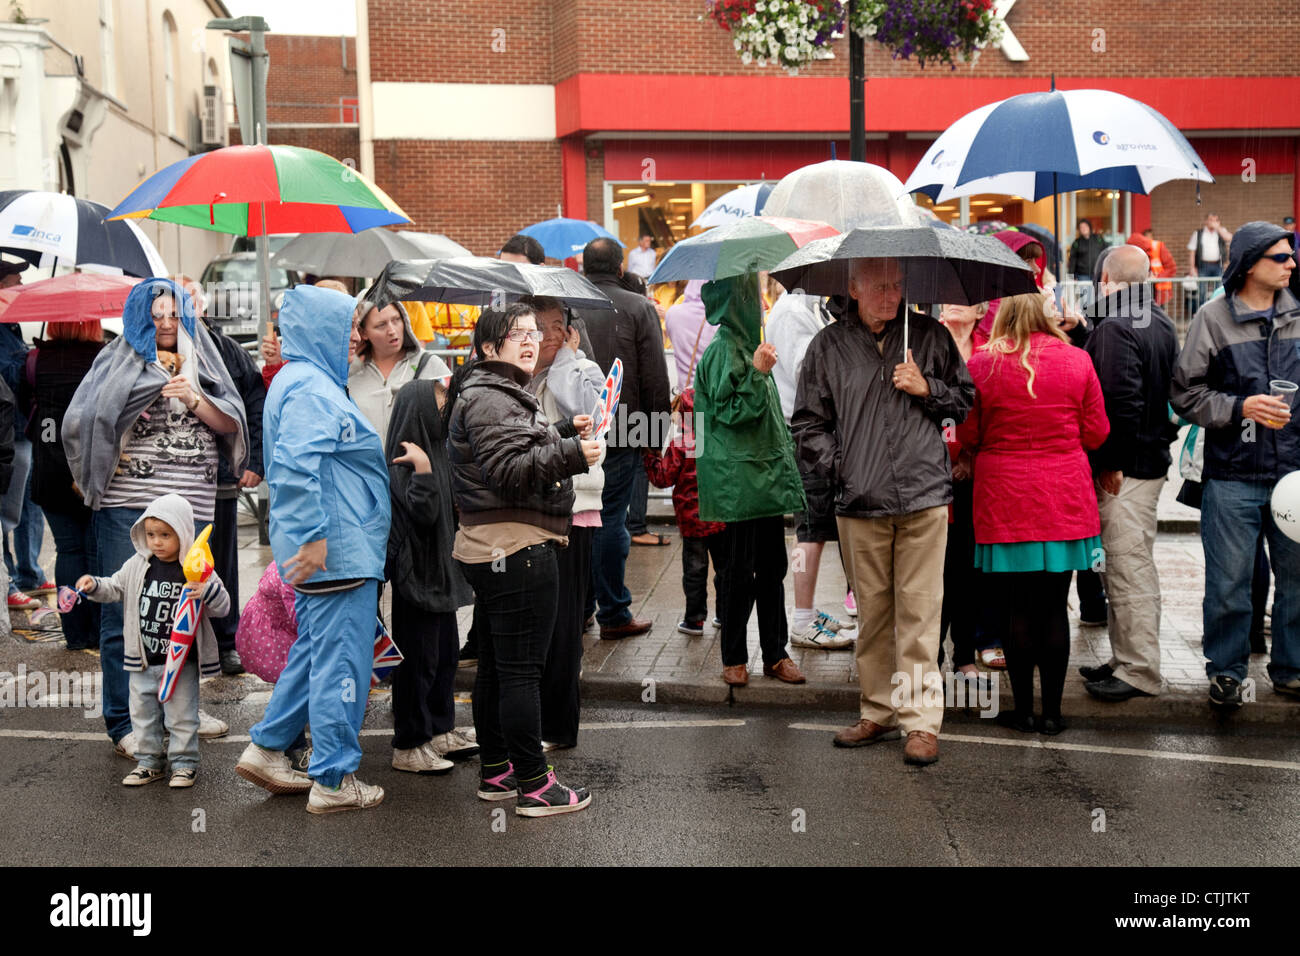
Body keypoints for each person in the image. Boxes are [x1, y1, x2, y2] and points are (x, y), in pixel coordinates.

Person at [794, 258, 974, 765]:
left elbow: (965, 400)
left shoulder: (931, 336)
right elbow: (807, 424)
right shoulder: (827, 346)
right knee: (873, 615)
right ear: (852, 288)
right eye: (879, 286)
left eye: (898, 285)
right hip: (859, 502)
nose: (891, 295)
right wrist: (843, 470)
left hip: (924, 496)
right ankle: (877, 711)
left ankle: (921, 723)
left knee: (920, 615)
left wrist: (928, 388)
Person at [63, 278, 246, 759]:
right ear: (138, 318)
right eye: (155, 314)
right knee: (123, 611)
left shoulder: (205, 358)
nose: (165, 323)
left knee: (184, 611)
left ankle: (181, 707)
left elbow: (233, 422)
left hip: (191, 511)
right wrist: (130, 405)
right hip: (130, 506)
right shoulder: (117, 357)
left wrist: (195, 399)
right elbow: (82, 419)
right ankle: (123, 721)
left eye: (174, 313)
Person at [235, 284, 390, 813]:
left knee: (315, 654)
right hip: (338, 550)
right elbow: (297, 468)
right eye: (346, 325)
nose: (355, 336)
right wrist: (317, 539)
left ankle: (267, 747)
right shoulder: (309, 388)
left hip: (330, 549)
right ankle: (332, 780)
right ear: (318, 328)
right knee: (340, 665)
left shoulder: (305, 380)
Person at [446, 302, 600, 816]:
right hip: (514, 549)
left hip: (495, 545)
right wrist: (575, 454)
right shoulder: (492, 396)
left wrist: (559, 435)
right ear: (490, 348)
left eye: (534, 333)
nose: (531, 341)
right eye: (517, 335)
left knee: (495, 665)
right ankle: (535, 785)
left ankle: (498, 771)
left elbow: (505, 454)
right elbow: (509, 471)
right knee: (519, 673)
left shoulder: (494, 391)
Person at [959, 293, 1110, 735]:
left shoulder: (982, 364)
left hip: (1005, 498)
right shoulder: (1077, 359)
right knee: (1053, 609)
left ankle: (1023, 711)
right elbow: (1097, 432)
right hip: (1063, 497)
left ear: (1001, 318)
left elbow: (969, 432)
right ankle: (1053, 715)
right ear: (1047, 317)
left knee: (1015, 610)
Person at [1171, 221, 1300, 709]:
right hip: (1231, 476)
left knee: (1297, 580)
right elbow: (1185, 393)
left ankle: (1291, 669)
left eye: (1291, 256)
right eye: (1281, 257)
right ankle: (1226, 672)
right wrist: (1241, 407)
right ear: (1249, 265)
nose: (1292, 263)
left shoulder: (1299, 313)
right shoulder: (1212, 317)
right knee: (1228, 583)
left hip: (1294, 477)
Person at [1078, 245, 1180, 702]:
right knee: (1125, 563)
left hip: (1128, 470)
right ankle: (1125, 658)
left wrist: (1110, 463)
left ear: (1107, 281)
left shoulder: (1116, 327)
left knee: (1126, 568)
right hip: (1149, 462)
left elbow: (1120, 403)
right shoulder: (1154, 319)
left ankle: (1138, 670)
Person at [695, 272, 807, 688]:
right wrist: (759, 373)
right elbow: (732, 415)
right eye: (751, 295)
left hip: (761, 481)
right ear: (736, 302)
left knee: (772, 567)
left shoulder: (748, 344)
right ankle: (735, 657)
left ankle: (775, 654)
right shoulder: (725, 349)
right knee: (739, 572)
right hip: (740, 482)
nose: (760, 303)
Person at [78, 493, 229, 788]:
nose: (156, 542)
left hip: (181, 663)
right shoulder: (137, 564)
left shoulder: (196, 569)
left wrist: (207, 592)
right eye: (150, 534)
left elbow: (223, 605)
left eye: (165, 535)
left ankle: (184, 764)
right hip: (143, 659)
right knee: (143, 715)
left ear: (184, 533)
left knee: (182, 716)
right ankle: (149, 762)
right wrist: (94, 584)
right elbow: (114, 587)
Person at [572, 237, 671, 639]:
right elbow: (654, 376)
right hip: (624, 427)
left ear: (583, 266)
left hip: (573, 428)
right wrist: (655, 435)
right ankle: (613, 611)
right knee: (610, 519)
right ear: (619, 268)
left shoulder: (570, 304)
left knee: (579, 518)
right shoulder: (637, 307)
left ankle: (581, 608)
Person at [386, 379, 478, 774]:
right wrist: (422, 470)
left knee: (444, 657)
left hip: (439, 571)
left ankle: (439, 730)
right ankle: (409, 743)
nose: (447, 410)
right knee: (418, 662)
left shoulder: (439, 449)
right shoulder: (407, 455)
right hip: (417, 576)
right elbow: (420, 514)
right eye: (440, 405)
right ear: (419, 411)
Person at [526, 296, 605, 750]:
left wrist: (568, 359)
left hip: (576, 512)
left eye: (555, 326)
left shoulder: (584, 371)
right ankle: (538, 718)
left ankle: (558, 726)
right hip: (538, 511)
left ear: (570, 331)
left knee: (563, 624)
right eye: (537, 327)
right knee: (543, 621)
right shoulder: (529, 375)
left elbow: (591, 421)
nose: (546, 335)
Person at [181, 275, 264, 676]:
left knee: (221, 561)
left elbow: (254, 403)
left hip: (220, 480)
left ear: (203, 306)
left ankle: (226, 640)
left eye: (189, 300)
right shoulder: (147, 353)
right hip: (168, 482)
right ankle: (179, 639)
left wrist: (255, 461)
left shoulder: (228, 352)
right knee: (172, 560)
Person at [767, 286, 855, 649]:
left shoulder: (808, 308)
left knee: (816, 529)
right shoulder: (791, 312)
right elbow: (808, 369)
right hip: (806, 435)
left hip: (818, 431)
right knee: (810, 532)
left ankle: (808, 614)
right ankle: (802, 619)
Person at [21, 319, 104, 650]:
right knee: (97, 551)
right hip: (94, 469)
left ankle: (74, 632)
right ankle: (101, 631)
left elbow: (27, 405)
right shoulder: (103, 357)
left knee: (68, 550)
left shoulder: (34, 360)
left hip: (50, 471)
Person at [937, 302, 993, 684]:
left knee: (966, 570)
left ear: (980, 311)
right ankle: (929, 655)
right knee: (931, 573)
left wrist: (971, 456)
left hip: (974, 475)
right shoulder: (925, 340)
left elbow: (994, 409)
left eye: (966, 299)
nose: (956, 303)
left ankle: (964, 655)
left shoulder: (990, 349)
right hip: (930, 474)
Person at [645, 386, 725, 636]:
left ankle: (695, 620)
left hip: (692, 522)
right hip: (720, 517)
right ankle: (725, 614)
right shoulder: (720, 439)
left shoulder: (680, 444)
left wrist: (651, 456)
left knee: (694, 570)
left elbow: (662, 478)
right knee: (724, 569)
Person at [0, 266, 52, 610]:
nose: (22, 285)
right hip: (10, 431)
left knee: (29, 504)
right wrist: (33, 363)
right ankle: (8, 582)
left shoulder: (11, 325)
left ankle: (29, 572)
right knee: (6, 512)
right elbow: (10, 376)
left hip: (24, 426)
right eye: (15, 280)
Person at [349, 296, 452, 449]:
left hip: (420, 470)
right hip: (367, 471)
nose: (392, 330)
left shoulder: (430, 366)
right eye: (381, 325)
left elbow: (454, 425)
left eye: (396, 320)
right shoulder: (350, 375)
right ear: (363, 333)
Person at [1186, 213, 1233, 311]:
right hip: (1203, 265)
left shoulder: (1221, 231)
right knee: (1202, 290)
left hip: (1218, 265)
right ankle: (1201, 311)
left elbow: (1229, 238)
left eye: (1216, 220)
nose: (1213, 223)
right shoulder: (1198, 233)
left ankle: (1218, 311)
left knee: (1219, 289)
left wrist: (1218, 228)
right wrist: (1192, 267)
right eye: (1211, 220)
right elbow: (1192, 251)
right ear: (1206, 221)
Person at [1067, 219, 1107, 311]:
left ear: (1089, 227)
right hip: (1082, 275)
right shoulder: (1077, 243)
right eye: (1081, 227)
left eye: (1085, 226)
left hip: (1097, 273)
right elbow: (1072, 260)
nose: (1083, 229)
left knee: (1098, 296)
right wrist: (1070, 277)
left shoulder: (1099, 239)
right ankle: (1086, 316)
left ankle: (1098, 315)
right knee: (1085, 298)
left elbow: (1105, 254)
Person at [1138, 228, 1176, 307]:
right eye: (1145, 237)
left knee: (1158, 310)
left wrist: (1157, 277)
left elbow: (1171, 267)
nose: (1148, 239)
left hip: (1158, 288)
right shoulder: (1139, 249)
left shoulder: (1158, 247)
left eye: (1149, 237)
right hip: (1144, 286)